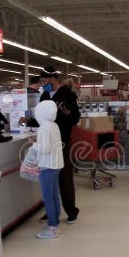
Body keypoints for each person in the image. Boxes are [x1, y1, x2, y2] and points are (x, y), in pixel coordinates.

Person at [39, 67, 81, 223]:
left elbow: (75, 118)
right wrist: (29, 121)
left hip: (62, 141)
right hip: (47, 141)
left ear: (52, 79)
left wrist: (66, 113)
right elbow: (40, 117)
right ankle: (51, 210)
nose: (43, 84)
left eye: (44, 81)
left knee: (64, 177)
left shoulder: (68, 95)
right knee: (49, 178)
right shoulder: (44, 95)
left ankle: (71, 210)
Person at [33, 100, 64, 239]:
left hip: (47, 166)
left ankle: (52, 227)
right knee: (54, 196)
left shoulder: (43, 128)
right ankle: (55, 221)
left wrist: (34, 145)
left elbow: (44, 149)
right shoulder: (54, 125)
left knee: (47, 197)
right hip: (56, 164)